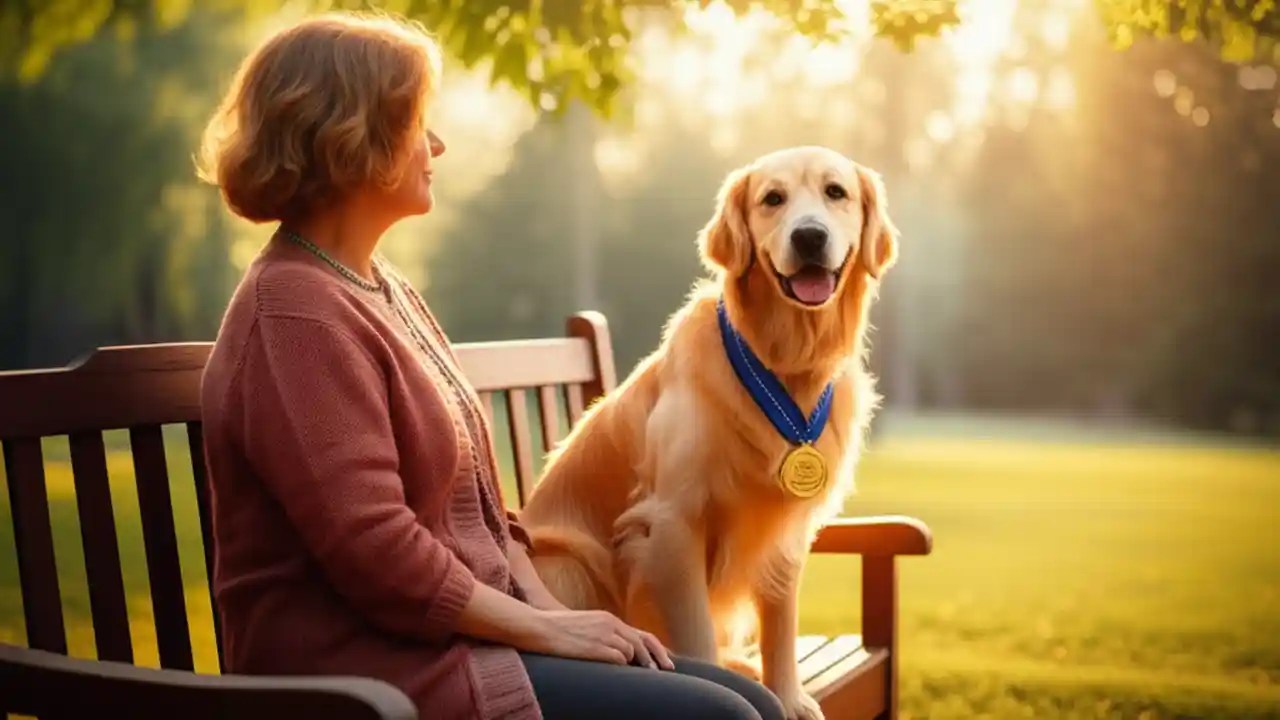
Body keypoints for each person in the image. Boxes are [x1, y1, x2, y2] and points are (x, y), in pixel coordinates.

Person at [195, 11, 786, 720]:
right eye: (417, 123)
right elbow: (378, 554)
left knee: (749, 698)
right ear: (351, 135)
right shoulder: (292, 314)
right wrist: (545, 629)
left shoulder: (380, 288)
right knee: (725, 717)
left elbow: (477, 512)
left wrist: (556, 619)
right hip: (363, 673)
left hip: (455, 641)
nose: (436, 143)